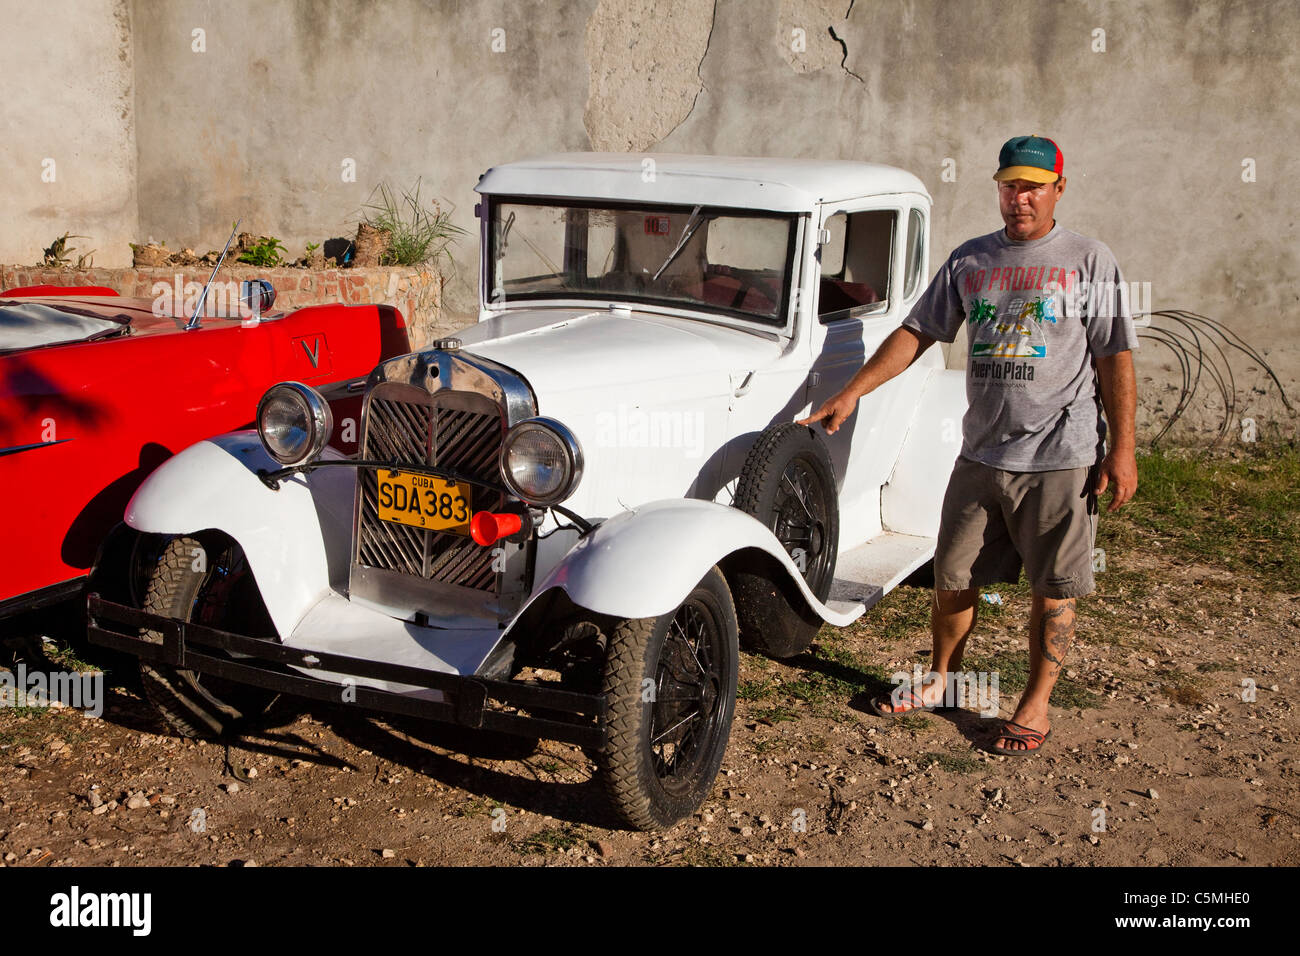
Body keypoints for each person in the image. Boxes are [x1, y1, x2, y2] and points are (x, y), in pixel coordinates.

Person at [798, 135, 1138, 755]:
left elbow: (1115, 355)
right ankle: (942, 680)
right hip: (981, 452)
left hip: (1061, 456)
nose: (1020, 198)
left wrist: (1123, 451)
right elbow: (916, 333)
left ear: (1059, 188)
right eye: (1010, 185)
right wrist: (853, 392)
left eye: (1034, 186)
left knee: (1053, 586)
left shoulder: (1090, 260)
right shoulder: (971, 260)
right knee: (954, 576)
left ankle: (1035, 704)